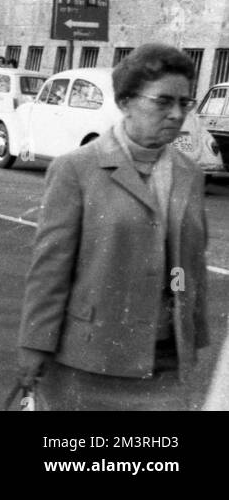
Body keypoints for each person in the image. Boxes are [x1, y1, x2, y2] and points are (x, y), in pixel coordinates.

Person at [18, 44, 209, 410]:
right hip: (85, 362)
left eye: (185, 103)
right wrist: (33, 344)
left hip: (163, 362)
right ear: (125, 101)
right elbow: (50, 269)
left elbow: (187, 266)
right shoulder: (76, 169)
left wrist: (187, 323)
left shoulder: (190, 174)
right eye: (162, 101)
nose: (175, 114)